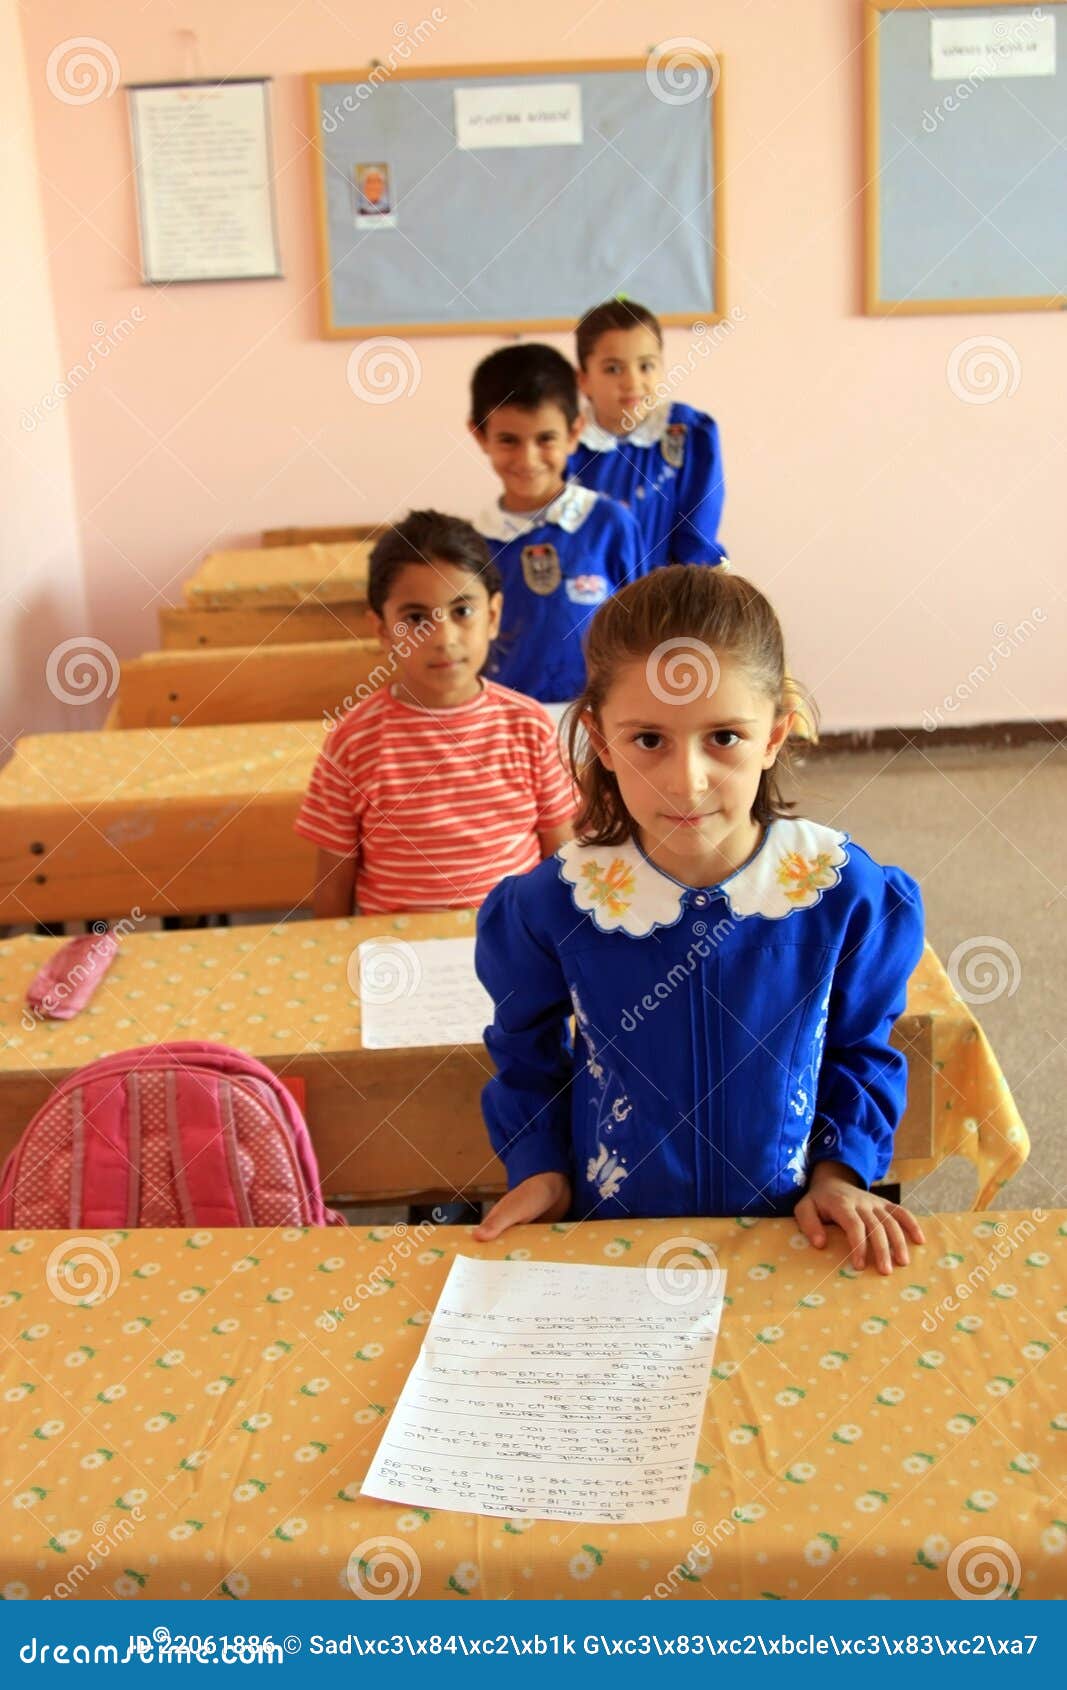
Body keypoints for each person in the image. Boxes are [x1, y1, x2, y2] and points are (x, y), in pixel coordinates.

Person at [473, 565, 926, 1274]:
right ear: (597, 734)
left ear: (775, 733)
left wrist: (841, 1176)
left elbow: (858, 1051)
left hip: (791, 1242)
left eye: (723, 737)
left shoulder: (843, 893)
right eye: (647, 739)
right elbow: (525, 1054)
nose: (685, 781)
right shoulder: (554, 903)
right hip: (612, 1244)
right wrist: (540, 1167)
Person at [296, 509, 574, 917]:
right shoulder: (353, 741)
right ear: (383, 630)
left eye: (462, 611)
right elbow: (333, 890)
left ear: (493, 616)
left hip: (515, 955)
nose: (443, 638)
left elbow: (560, 860)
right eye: (415, 618)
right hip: (400, 963)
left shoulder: (529, 726)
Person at [470, 342, 643, 704]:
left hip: (599, 721)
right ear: (480, 435)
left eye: (545, 439)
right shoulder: (471, 544)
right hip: (504, 727)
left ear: (574, 431)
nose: (528, 458)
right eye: (508, 441)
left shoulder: (611, 525)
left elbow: (643, 630)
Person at [569, 297, 727, 570]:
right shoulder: (566, 443)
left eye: (646, 366)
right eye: (613, 369)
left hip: (668, 599)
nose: (632, 382)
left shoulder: (687, 433)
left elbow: (696, 538)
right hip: (589, 598)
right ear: (583, 379)